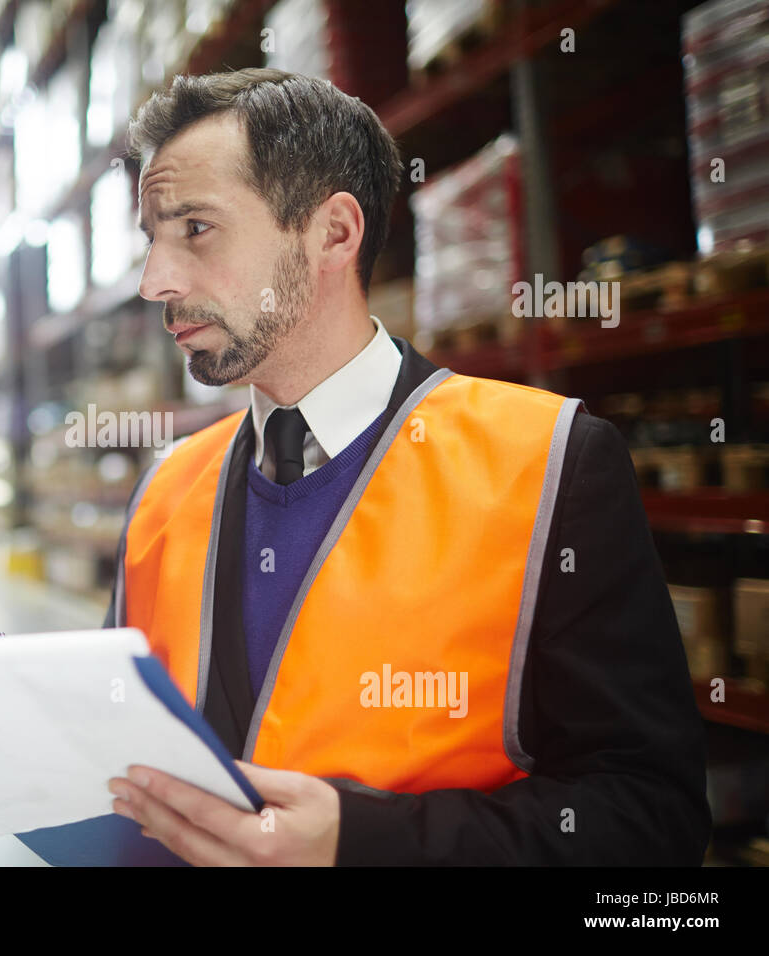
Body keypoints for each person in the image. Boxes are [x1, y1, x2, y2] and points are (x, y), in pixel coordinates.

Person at [100, 68, 710, 866]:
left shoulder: (547, 462)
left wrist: (364, 843)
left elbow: (649, 816)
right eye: (153, 238)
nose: (157, 281)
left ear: (334, 234)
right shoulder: (165, 493)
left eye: (197, 230)